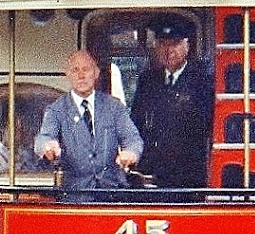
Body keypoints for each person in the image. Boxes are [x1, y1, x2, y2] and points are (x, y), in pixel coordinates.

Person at [35, 49, 142, 191]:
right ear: (67, 74)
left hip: (111, 192)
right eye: (75, 70)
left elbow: (133, 139)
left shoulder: (114, 107)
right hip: (74, 194)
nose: (81, 75)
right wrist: (47, 146)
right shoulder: (56, 109)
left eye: (86, 69)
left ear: (96, 73)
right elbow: (43, 138)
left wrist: (131, 153)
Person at [129, 14, 214, 189]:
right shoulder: (147, 80)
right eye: (163, 44)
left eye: (174, 44)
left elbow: (206, 127)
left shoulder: (203, 79)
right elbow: (135, 122)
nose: (169, 50)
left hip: (189, 175)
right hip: (151, 173)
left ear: (187, 46)